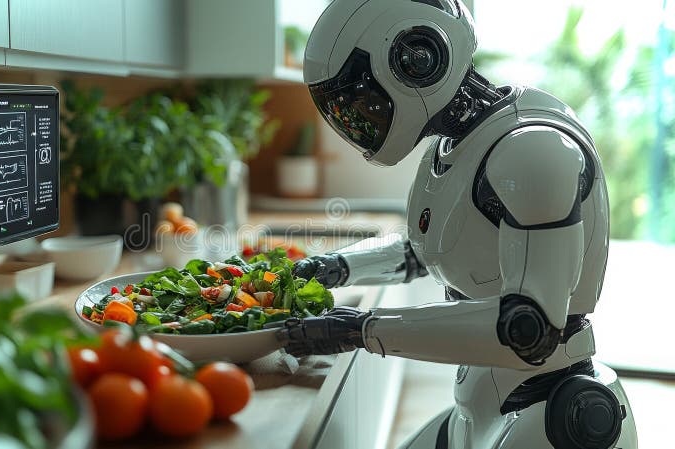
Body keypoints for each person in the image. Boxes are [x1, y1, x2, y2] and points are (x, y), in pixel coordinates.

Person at [269, 1, 639, 447]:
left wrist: (360, 330)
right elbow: (429, 250)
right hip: (484, 395)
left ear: (416, 57)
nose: (356, 121)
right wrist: (334, 267)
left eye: (359, 101)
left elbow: (530, 329)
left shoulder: (533, 151)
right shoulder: (461, 143)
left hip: (548, 406)